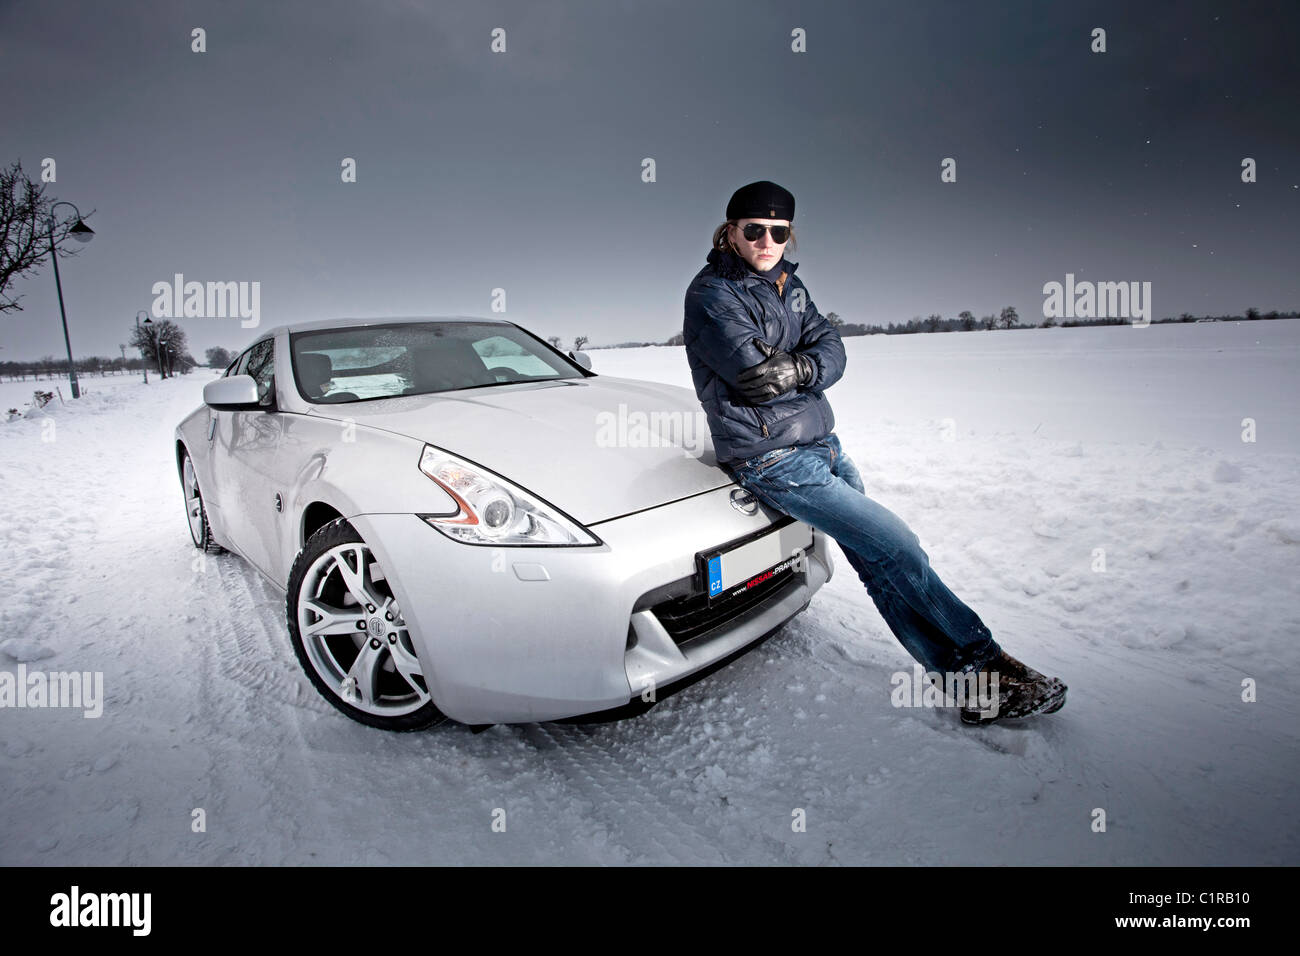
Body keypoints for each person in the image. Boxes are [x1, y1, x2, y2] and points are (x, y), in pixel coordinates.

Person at [682, 180, 1066, 723]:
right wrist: (801, 365)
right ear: (730, 230)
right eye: (754, 229)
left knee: (880, 561)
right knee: (898, 546)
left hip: (821, 445)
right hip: (771, 458)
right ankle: (983, 666)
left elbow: (833, 347)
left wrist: (802, 366)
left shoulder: (789, 284)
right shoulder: (712, 295)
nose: (767, 241)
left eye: (779, 231)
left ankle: (970, 689)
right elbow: (756, 380)